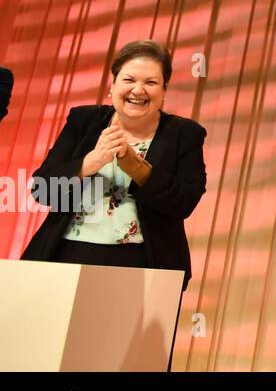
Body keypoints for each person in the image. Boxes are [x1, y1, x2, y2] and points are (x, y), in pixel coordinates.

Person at [22, 39, 207, 296]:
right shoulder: (83, 120)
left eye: (151, 83)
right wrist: (90, 162)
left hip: (143, 261)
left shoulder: (184, 134)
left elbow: (183, 202)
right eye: (129, 80)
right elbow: (42, 190)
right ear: (112, 85)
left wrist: (135, 166)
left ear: (164, 90)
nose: (138, 90)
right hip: (66, 252)